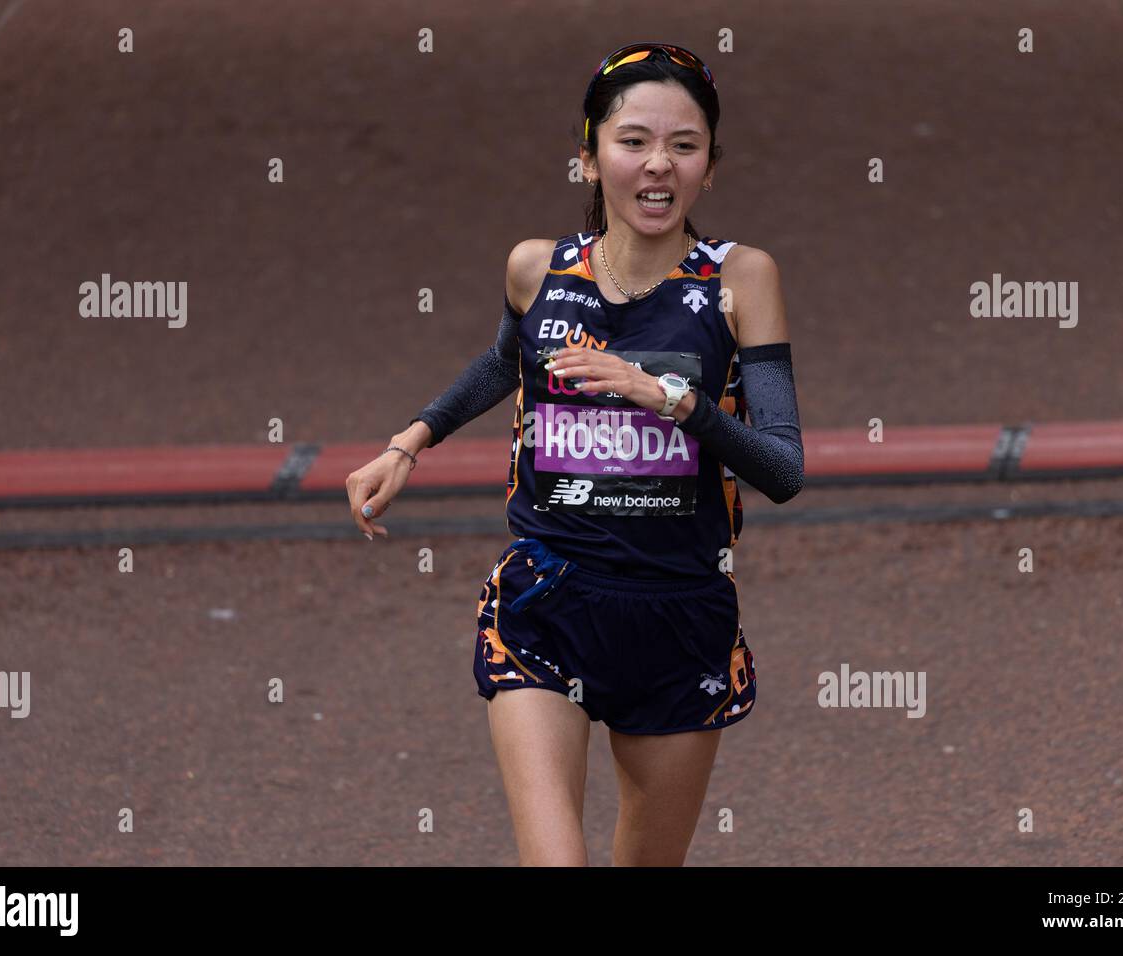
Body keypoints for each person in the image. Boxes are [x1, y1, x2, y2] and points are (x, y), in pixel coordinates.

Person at [345, 42, 805, 866]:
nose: (657, 164)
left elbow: (783, 470)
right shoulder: (537, 269)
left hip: (681, 616)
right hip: (548, 599)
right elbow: (502, 360)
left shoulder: (742, 281)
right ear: (588, 158)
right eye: (632, 142)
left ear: (711, 167)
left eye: (684, 145)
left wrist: (664, 395)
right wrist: (409, 441)